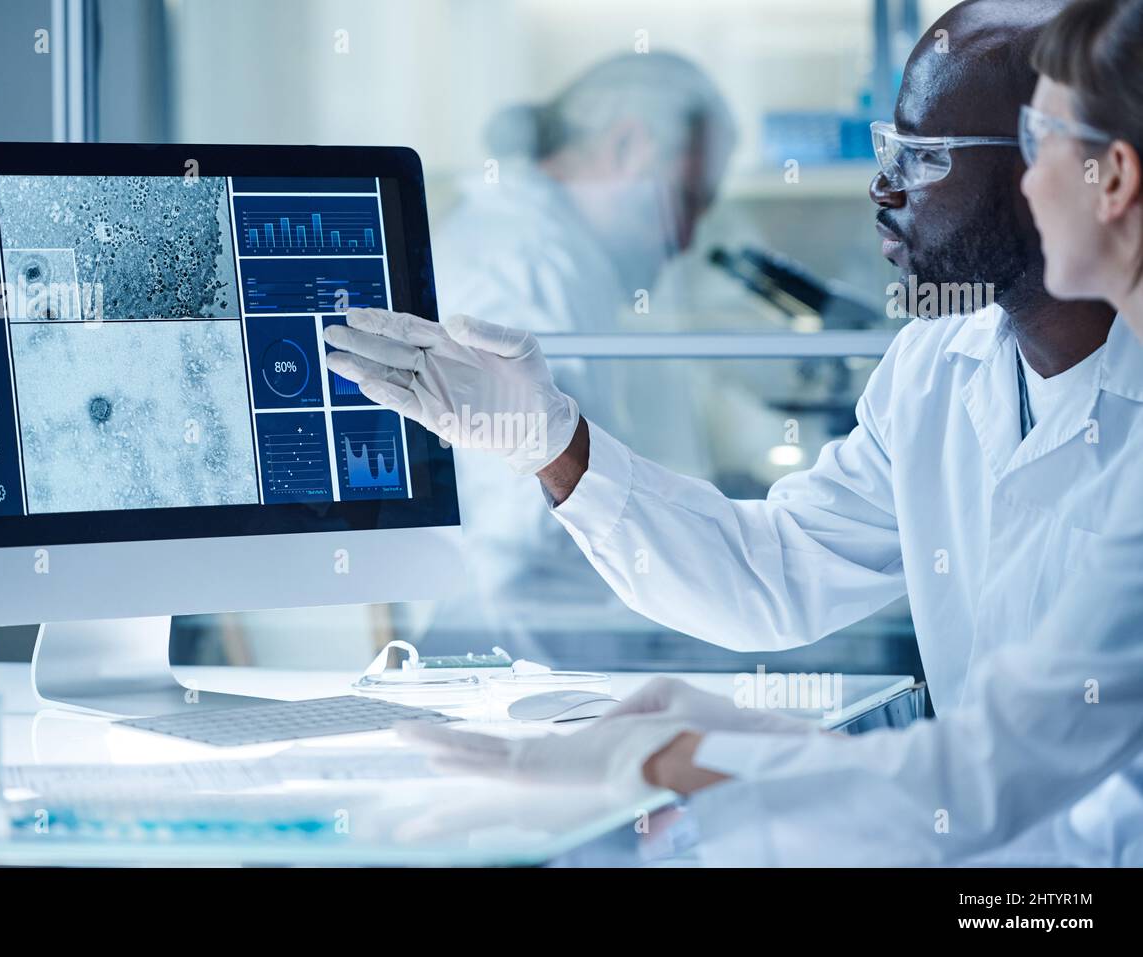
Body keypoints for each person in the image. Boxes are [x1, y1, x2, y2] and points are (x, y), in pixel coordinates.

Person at [324, 0, 1143, 865]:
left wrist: (686, 756)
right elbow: (779, 566)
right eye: (885, 149)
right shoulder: (939, 365)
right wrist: (554, 445)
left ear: (1109, 177)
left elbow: (988, 783)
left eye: (927, 157)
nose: (884, 187)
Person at [421, 52, 744, 665]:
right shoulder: (535, 268)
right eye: (691, 199)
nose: (688, 238)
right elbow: (531, 525)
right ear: (629, 146)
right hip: (521, 653)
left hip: (532, 643)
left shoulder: (547, 251)